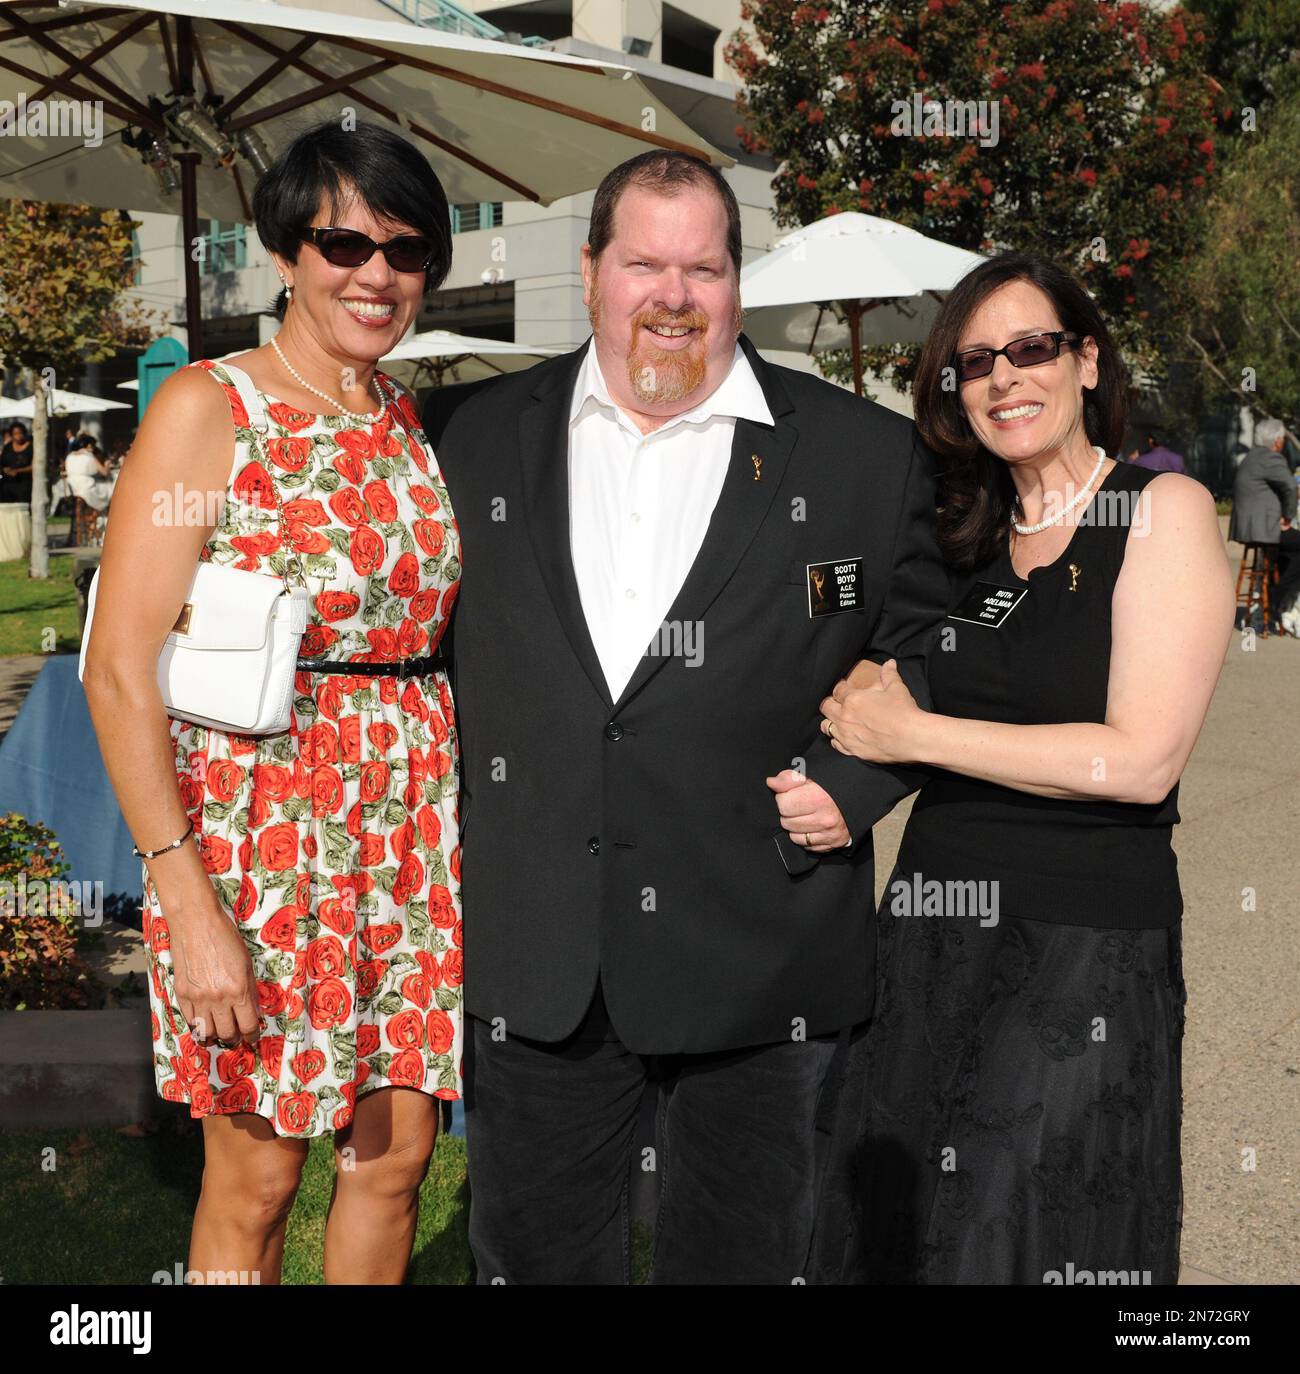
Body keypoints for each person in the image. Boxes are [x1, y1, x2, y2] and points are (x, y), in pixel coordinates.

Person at [422, 150, 949, 1285]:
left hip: (764, 952)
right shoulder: (458, 439)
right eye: (644, 263)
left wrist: (857, 782)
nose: (672, 293)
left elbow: (934, 644)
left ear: (736, 282)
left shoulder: (862, 455)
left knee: (746, 1263)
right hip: (539, 956)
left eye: (702, 267)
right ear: (590, 272)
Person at [82, 119, 460, 1285]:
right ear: (286, 253)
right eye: (343, 243)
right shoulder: (210, 406)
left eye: (406, 250)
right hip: (259, 841)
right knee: (255, 1181)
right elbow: (116, 665)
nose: (376, 274)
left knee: (392, 1163)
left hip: (406, 835)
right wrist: (183, 898)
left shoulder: (403, 418)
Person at [819, 251, 1234, 1284]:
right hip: (928, 929)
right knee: (888, 1224)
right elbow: (857, 670)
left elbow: (1140, 759)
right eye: (974, 362)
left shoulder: (1156, 511)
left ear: (1085, 362)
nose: (1004, 377)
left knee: (1013, 1230)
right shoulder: (962, 541)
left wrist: (910, 736)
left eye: (1031, 349)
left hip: (1083, 938)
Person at [1229, 418, 1297, 634]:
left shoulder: (1251, 457)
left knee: (1289, 553)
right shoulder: (1271, 458)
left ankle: (1271, 596)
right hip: (1263, 529)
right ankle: (1276, 603)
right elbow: (1289, 487)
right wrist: (1287, 517)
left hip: (1246, 527)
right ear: (1277, 441)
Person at [64, 433, 117, 513]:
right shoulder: (89, 455)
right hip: (85, 487)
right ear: (89, 445)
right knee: (110, 486)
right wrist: (107, 464)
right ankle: (109, 510)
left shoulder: (70, 456)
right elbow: (105, 473)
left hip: (71, 486)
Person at [0, 422, 33, 505]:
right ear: (11, 435)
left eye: (20, 433)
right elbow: (2, 463)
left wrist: (17, 471)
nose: (18, 436)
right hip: (7, 483)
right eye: (15, 434)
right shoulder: (8, 447)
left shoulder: (30, 447)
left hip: (24, 483)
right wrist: (5, 470)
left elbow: (33, 466)